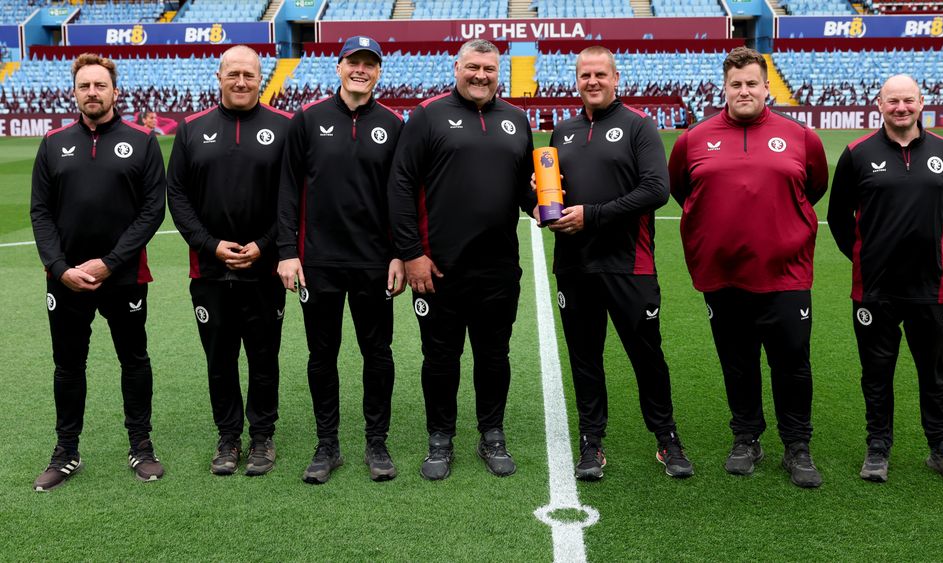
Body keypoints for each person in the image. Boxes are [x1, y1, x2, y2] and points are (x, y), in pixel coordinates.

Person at [667, 47, 828, 488]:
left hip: (786, 275)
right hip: (723, 275)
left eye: (751, 83)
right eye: (736, 84)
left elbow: (813, 187)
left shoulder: (801, 137)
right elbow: (685, 192)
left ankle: (797, 445)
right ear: (724, 88)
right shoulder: (693, 140)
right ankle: (746, 438)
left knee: (792, 363)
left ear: (766, 87)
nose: (744, 91)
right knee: (737, 363)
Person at [542, 46, 691, 481]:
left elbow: (656, 190)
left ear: (615, 77)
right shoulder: (563, 131)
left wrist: (592, 214)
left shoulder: (638, 125)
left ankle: (667, 438)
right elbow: (555, 195)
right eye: (585, 75)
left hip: (629, 265)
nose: (592, 81)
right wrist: (542, 196)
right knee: (585, 358)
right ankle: (592, 443)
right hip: (574, 266)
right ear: (576, 79)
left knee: (647, 356)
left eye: (600, 74)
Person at [387, 38, 534, 480]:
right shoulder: (429, 115)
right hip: (438, 270)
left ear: (498, 72)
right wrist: (412, 254)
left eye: (489, 69)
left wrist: (550, 208)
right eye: (473, 67)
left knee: (494, 356)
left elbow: (524, 187)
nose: (481, 76)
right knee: (440, 359)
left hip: (498, 269)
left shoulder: (516, 119)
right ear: (457, 67)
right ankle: (440, 439)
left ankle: (492, 434)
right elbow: (400, 186)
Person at [30, 53, 166, 491]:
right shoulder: (53, 143)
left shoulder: (142, 141)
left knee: (134, 359)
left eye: (100, 85)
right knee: (68, 365)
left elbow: (152, 212)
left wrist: (109, 263)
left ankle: (141, 446)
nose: (93, 92)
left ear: (115, 91)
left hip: (123, 276)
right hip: (65, 280)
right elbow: (40, 212)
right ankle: (66, 451)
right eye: (85, 86)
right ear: (75, 92)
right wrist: (59, 267)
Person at [828, 74, 943, 485]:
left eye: (908, 100)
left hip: (931, 286)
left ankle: (941, 447)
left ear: (921, 102)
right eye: (893, 101)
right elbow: (839, 218)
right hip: (875, 288)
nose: (901, 107)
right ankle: (878, 447)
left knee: (934, 371)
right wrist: (866, 256)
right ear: (879, 104)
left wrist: (929, 249)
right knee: (876, 371)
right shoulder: (857, 153)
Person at [277, 36, 406, 484]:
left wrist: (399, 255)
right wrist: (287, 252)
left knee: (378, 353)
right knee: (322, 354)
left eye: (369, 64)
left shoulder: (393, 124)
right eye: (354, 61)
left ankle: (377, 442)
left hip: (374, 262)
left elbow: (400, 195)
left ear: (378, 72)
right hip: (319, 262)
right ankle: (327, 444)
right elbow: (288, 191)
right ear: (339, 66)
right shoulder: (308, 120)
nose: (361, 70)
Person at [166, 45, 292, 477]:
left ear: (262, 78)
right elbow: (177, 196)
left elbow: (291, 198)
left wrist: (265, 244)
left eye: (249, 75)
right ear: (218, 76)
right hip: (209, 269)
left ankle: (261, 437)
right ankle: (227, 437)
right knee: (219, 359)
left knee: (263, 356)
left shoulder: (284, 127)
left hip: (265, 267)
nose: (241, 81)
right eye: (233, 73)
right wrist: (210, 244)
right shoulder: (191, 129)